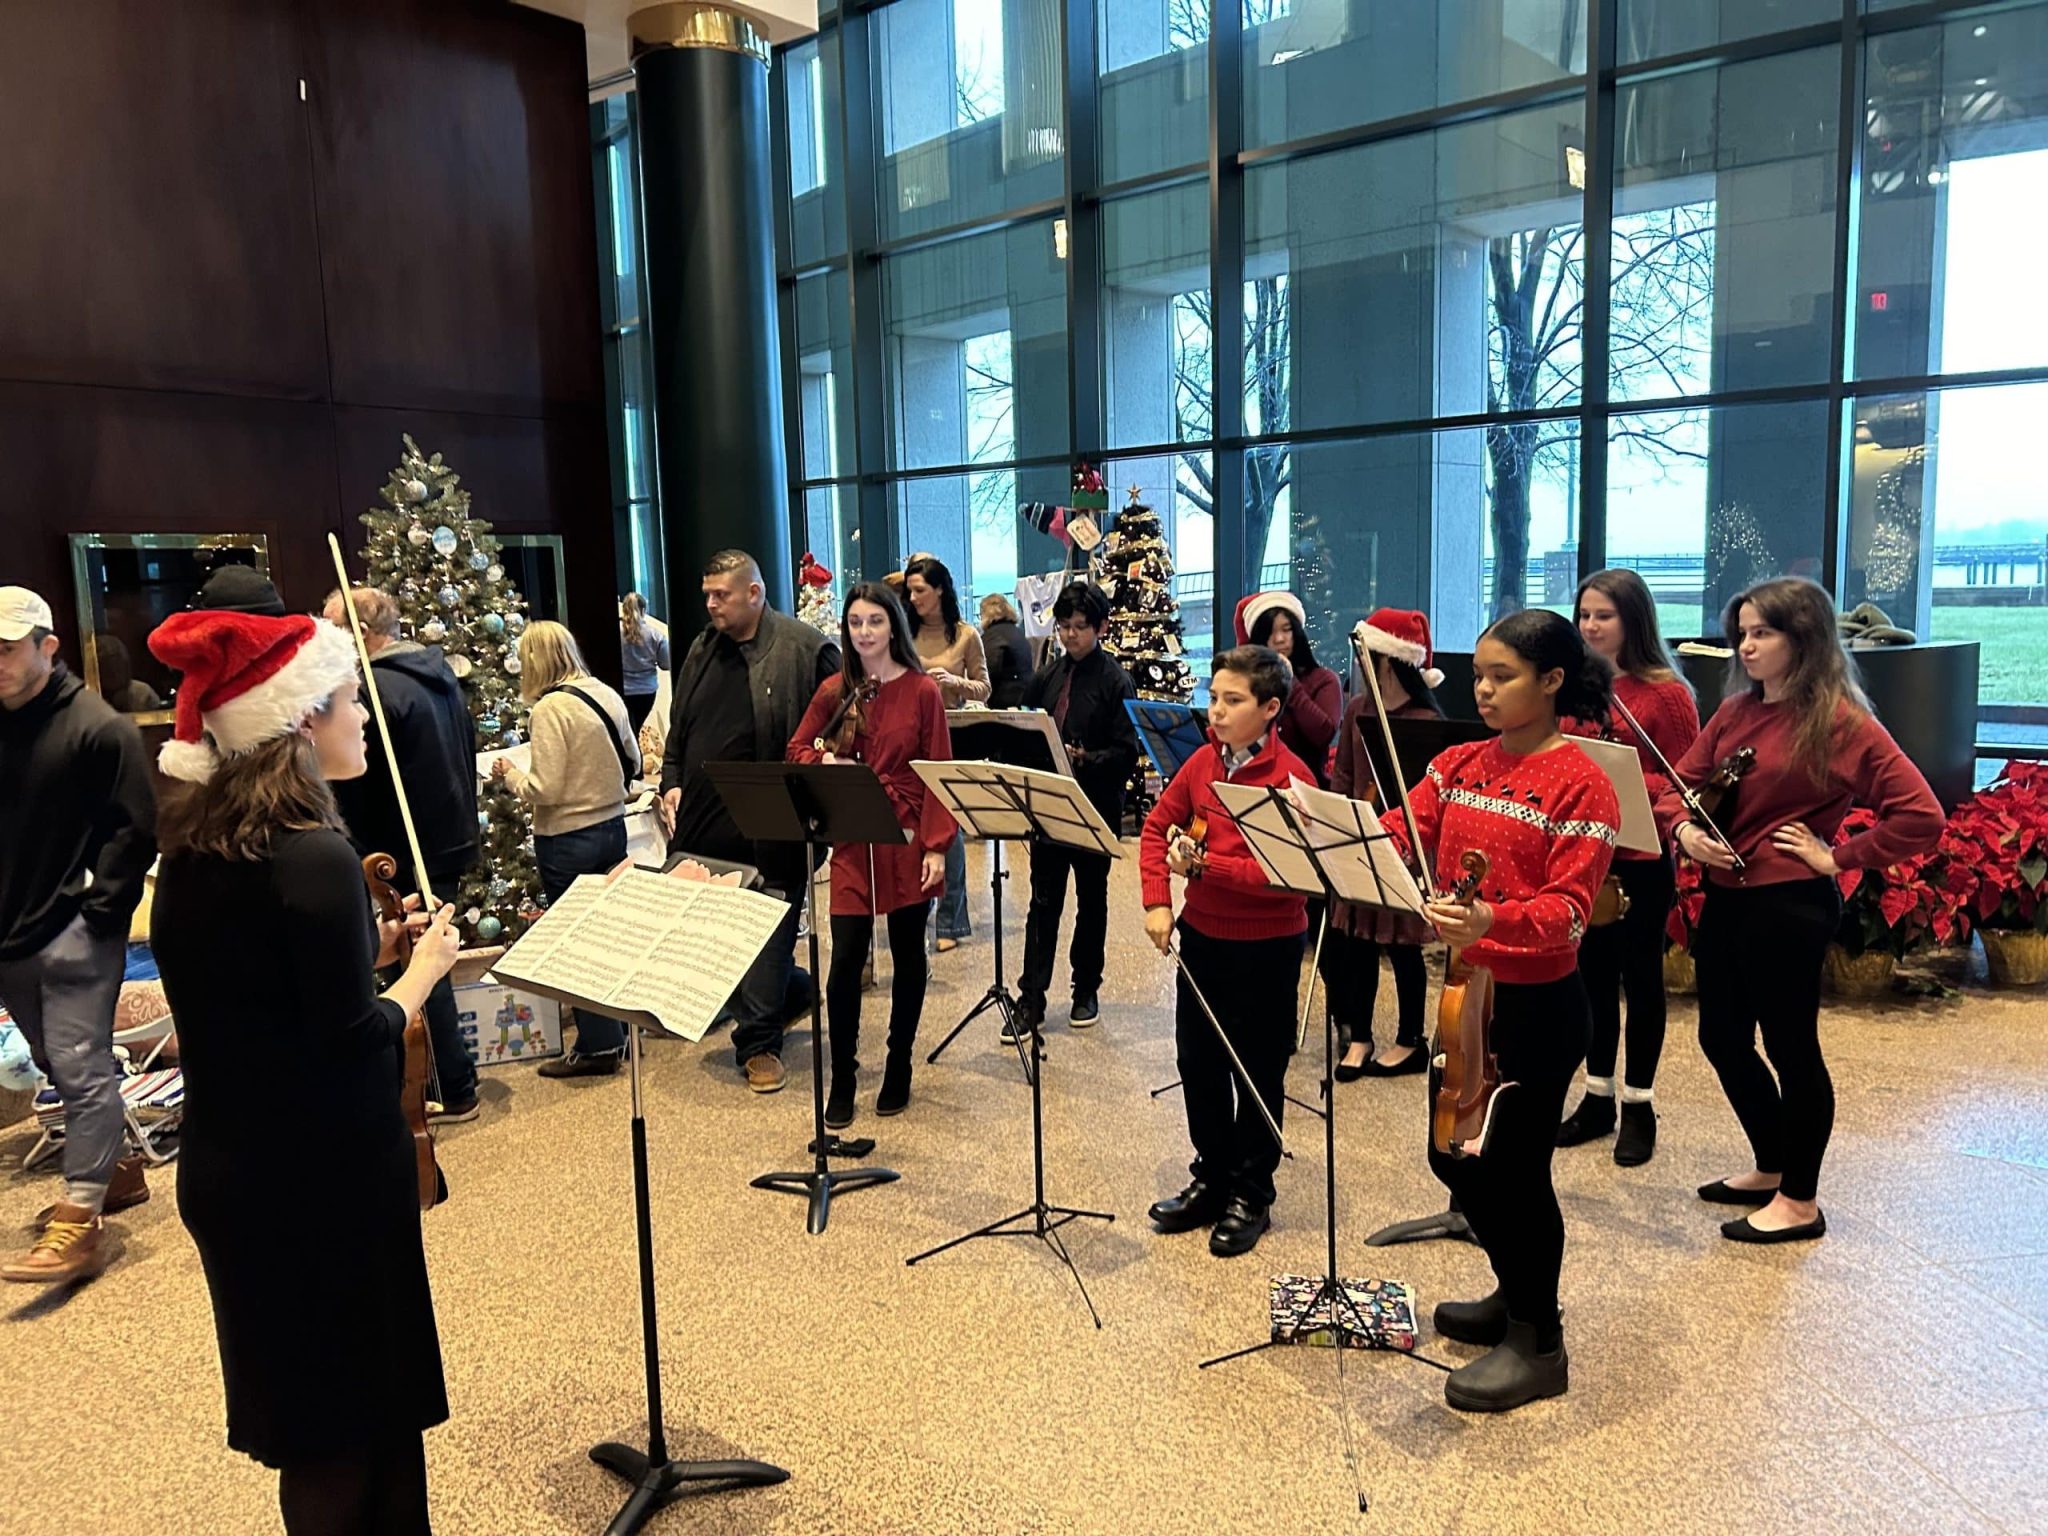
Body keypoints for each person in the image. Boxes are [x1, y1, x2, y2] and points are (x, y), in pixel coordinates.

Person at [145, 605, 461, 1535]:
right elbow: (353, 1047)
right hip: (316, 1183)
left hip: (239, 1168)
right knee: (353, 1434)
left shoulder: (198, 850)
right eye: (348, 701)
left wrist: (365, 957)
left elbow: (261, 1005)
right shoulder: (315, 855)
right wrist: (421, 975)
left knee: (341, 1426)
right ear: (299, 721)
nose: (363, 716)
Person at [1378, 608, 1619, 1413]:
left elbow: (1572, 909)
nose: (1482, 690)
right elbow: (1397, 832)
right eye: (1477, 674)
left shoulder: (1584, 782)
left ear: (1552, 682)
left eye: (1502, 676)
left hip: (1538, 1004)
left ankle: (1539, 1339)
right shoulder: (1457, 764)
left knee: (1513, 1175)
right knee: (1454, 1160)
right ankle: (1512, 1290)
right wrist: (1332, 831)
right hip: (1464, 995)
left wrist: (1494, 921)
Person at [1657, 576, 1942, 1246]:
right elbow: (1681, 785)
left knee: (1792, 1048)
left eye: (1763, 633)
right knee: (1721, 1038)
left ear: (1803, 638)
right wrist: (1684, 831)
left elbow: (1921, 814)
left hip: (1789, 904)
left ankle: (1800, 1201)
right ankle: (1773, 1161)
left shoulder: (1842, 722)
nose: (1746, 646)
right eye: (1743, 633)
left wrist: (1838, 858)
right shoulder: (1735, 711)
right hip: (1728, 897)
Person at [0, 587, 157, 1284]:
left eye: (6, 650)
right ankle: (111, 1175)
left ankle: (80, 1213)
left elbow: (135, 835)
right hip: (10, 937)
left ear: (48, 646)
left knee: (81, 1066)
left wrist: (94, 923)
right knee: (53, 1064)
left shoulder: (99, 728)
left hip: (74, 938)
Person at [1140, 645, 1312, 1259]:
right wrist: (1158, 900)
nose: (1214, 711)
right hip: (1204, 939)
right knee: (1200, 1063)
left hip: (1267, 947)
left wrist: (1207, 866)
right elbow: (1157, 827)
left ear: (1269, 709)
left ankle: (1252, 1191)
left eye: (1231, 701)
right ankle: (1212, 1176)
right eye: (1213, 697)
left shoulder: (1294, 781)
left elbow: (1285, 875)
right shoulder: (1202, 765)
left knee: (1260, 1070)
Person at [657, 550, 838, 1095]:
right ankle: (796, 990)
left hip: (773, 820)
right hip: (704, 820)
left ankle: (759, 1044)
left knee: (767, 929)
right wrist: (670, 780)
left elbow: (839, 730)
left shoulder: (805, 649)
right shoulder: (701, 647)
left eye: (722, 595)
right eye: (707, 594)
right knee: (713, 937)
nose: (710, 604)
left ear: (754, 593)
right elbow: (680, 725)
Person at [788, 583, 955, 1128]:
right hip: (854, 835)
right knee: (844, 962)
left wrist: (936, 846)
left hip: (906, 833)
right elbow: (798, 748)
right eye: (856, 622)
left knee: (909, 954)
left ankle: (899, 1064)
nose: (864, 632)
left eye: (875, 621)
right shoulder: (838, 689)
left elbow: (939, 773)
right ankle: (843, 1075)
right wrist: (827, 764)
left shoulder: (924, 690)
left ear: (894, 628)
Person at [1555, 569, 1701, 1165]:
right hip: (1587, 853)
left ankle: (1639, 1106)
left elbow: (1689, 778)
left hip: (1640, 857)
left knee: (1640, 980)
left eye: (1603, 616)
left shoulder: (1665, 694)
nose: (1590, 626)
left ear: (1633, 621)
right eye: (1584, 614)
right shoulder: (1574, 687)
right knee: (1590, 977)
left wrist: (1620, 778)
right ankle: (1597, 1097)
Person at [321, 586, 481, 1123]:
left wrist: (354, 847)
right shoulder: (439, 677)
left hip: (407, 845)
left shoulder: (376, 690)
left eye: (332, 627)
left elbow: (363, 786)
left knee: (418, 965)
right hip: (447, 836)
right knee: (424, 958)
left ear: (363, 632)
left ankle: (451, 1087)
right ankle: (445, 1081)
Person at [493, 621, 638, 1079]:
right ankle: (621, 1031)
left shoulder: (550, 709)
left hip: (567, 837)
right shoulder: (605, 693)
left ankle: (598, 1045)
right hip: (612, 826)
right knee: (610, 936)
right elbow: (632, 758)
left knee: (580, 943)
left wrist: (508, 775)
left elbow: (545, 787)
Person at [1013, 582, 1137, 1036]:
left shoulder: (1116, 680)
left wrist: (1087, 759)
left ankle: (1086, 988)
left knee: (1091, 900)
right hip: (1048, 807)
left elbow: (1127, 752)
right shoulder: (1048, 675)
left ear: (1101, 627)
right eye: (1063, 626)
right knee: (1042, 903)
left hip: (1094, 805)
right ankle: (1032, 998)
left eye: (1080, 628)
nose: (1069, 636)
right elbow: (1026, 725)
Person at [1327, 609, 1445, 1079]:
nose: (1359, 665)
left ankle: (1409, 1039)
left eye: (1367, 657)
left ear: (1390, 663)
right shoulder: (1358, 709)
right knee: (1355, 942)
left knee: (1402, 946)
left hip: (1403, 843)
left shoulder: (1424, 720)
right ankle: (1360, 1035)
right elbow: (1345, 774)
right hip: (1358, 835)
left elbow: (1427, 796)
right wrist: (1337, 819)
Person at [904, 555, 987, 951]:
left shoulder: (966, 635)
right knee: (913, 826)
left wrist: (955, 681)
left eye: (920, 590)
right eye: (909, 590)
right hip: (910, 736)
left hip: (953, 737)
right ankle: (914, 912)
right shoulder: (903, 632)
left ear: (939, 590)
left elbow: (985, 688)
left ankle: (951, 922)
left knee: (948, 831)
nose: (913, 596)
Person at [1237, 591, 1342, 785]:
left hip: (1307, 787)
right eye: (1270, 632)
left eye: (1286, 630)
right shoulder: (1249, 683)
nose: (1279, 639)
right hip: (1254, 784)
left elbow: (1323, 734)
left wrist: (1288, 680)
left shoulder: (1324, 680)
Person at [618, 592, 670, 734]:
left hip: (621, 690)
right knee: (635, 730)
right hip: (646, 691)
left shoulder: (614, 631)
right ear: (643, 610)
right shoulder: (656, 635)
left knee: (626, 732)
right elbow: (666, 664)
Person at [979, 592, 1033, 709]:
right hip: (1026, 698)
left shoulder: (992, 636)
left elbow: (989, 671)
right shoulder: (1018, 633)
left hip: (1004, 702)